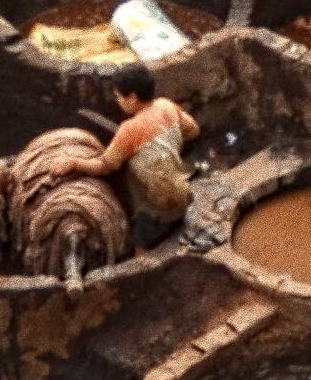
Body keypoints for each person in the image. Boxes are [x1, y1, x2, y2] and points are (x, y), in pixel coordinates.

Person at [50, 62, 200, 249]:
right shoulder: (166, 106)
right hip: (183, 194)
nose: (117, 101)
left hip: (160, 210)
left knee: (138, 249)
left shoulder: (130, 130)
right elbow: (193, 130)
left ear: (133, 97)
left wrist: (73, 162)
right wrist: (167, 149)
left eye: (119, 97)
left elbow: (106, 165)